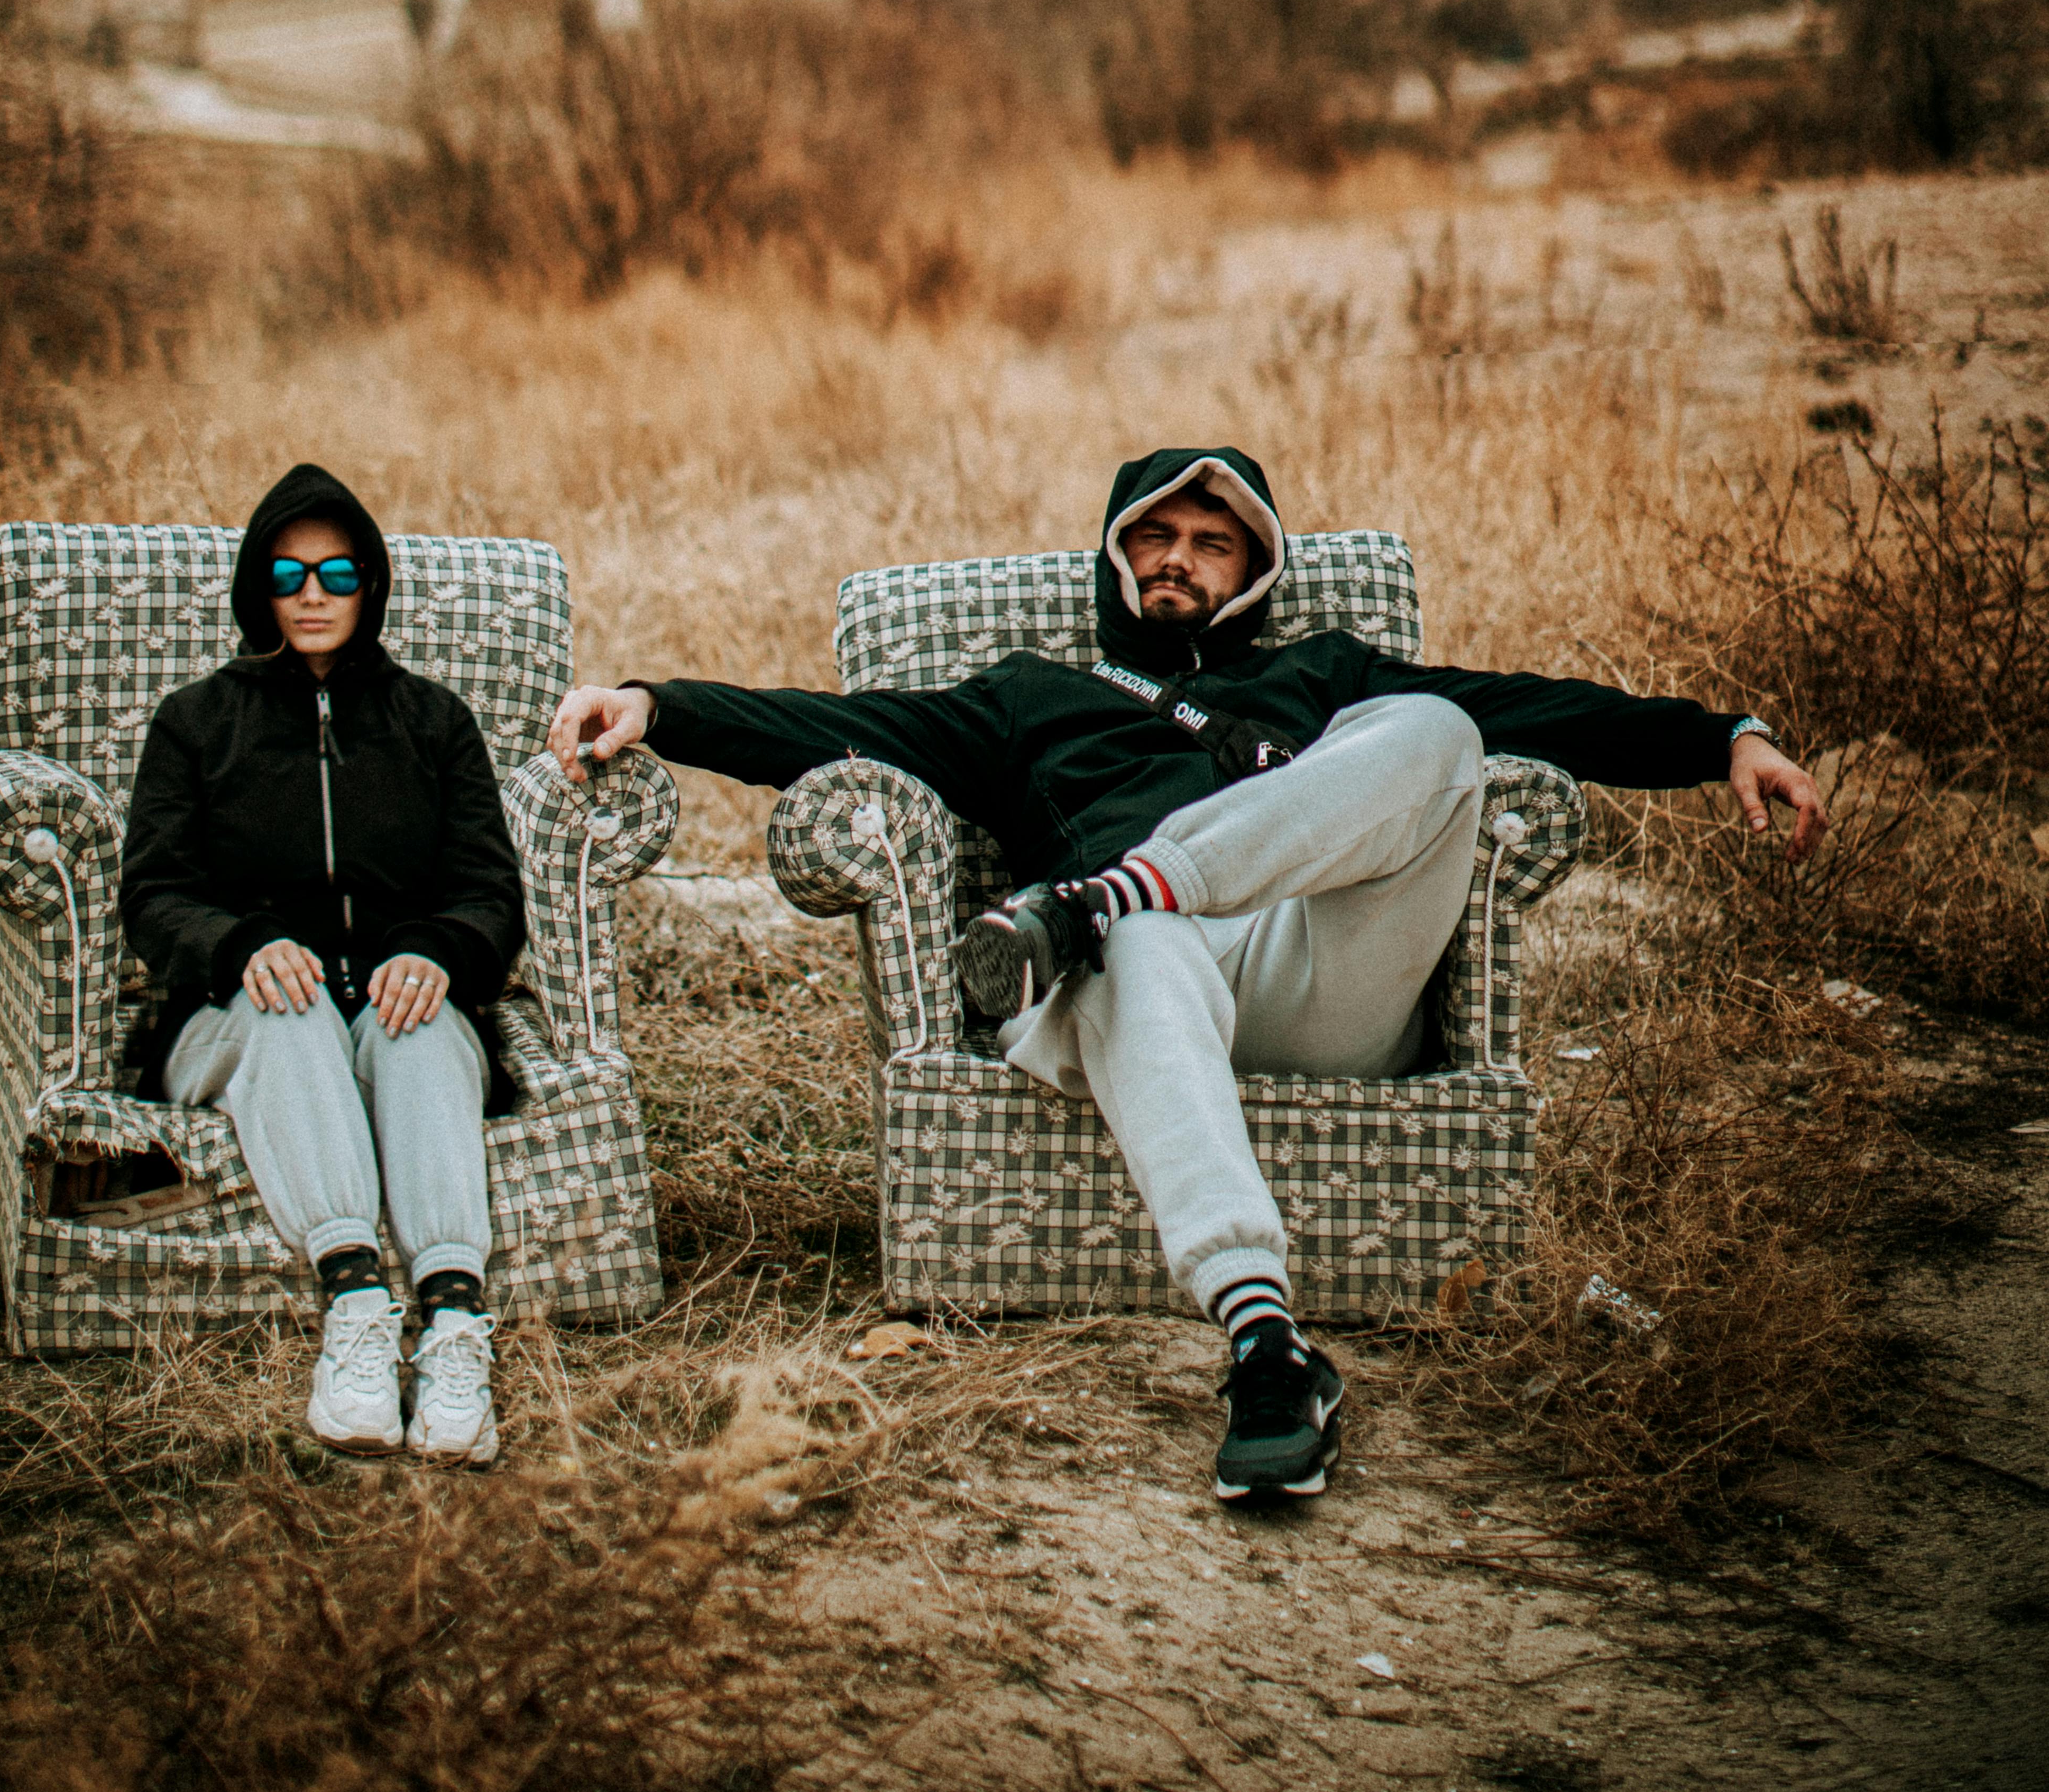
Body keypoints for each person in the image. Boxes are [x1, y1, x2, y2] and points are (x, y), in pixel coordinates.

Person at [548, 443, 1825, 1511]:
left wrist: (1722, 738)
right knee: (1143, 941)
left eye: (1213, 544)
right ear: (1116, 559)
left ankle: (1113, 891)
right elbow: (838, 725)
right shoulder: (1029, 697)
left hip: (1300, 974)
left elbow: (1524, 711)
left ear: (1253, 571)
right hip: (1120, 996)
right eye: (1154, 537)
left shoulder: (1322, 675)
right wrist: (661, 704)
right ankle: (1266, 1346)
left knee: (1437, 731)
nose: (1178, 560)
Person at [122, 463, 524, 1465]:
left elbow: (489, 893)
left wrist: (435, 949)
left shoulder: (435, 722)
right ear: (257, 586)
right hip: (238, 1016)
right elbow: (154, 894)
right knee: (291, 1005)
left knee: (416, 1022)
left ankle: (454, 1330)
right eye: (288, 574)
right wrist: (240, 945)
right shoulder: (195, 723)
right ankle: (355, 1313)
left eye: (338, 574)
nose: (313, 594)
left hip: (393, 1003)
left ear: (370, 585)